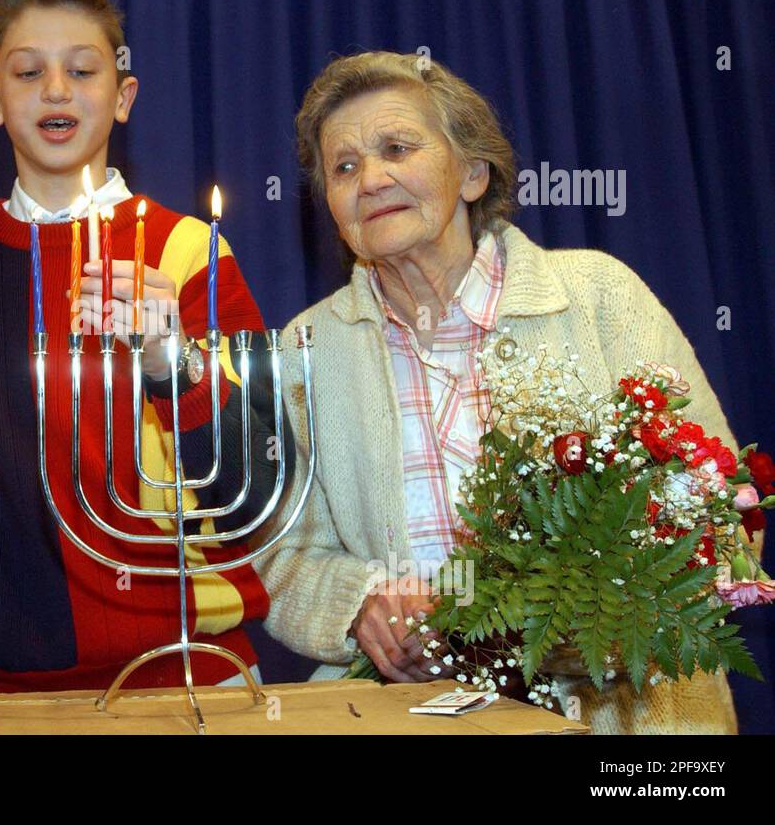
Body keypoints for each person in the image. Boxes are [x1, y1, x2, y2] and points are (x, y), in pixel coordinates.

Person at [256, 49, 738, 734]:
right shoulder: (303, 350)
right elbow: (278, 552)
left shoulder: (600, 296)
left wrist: (597, 617)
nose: (371, 179)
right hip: (401, 716)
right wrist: (361, 604)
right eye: (344, 166)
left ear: (473, 173)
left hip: (628, 716)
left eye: (397, 147)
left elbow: (714, 503)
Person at [0, 0, 289, 694]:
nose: (56, 90)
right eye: (28, 72)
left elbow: (255, 483)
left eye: (82, 70)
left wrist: (174, 363)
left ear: (124, 95)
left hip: (191, 677)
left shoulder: (185, 253)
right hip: (1, 688)